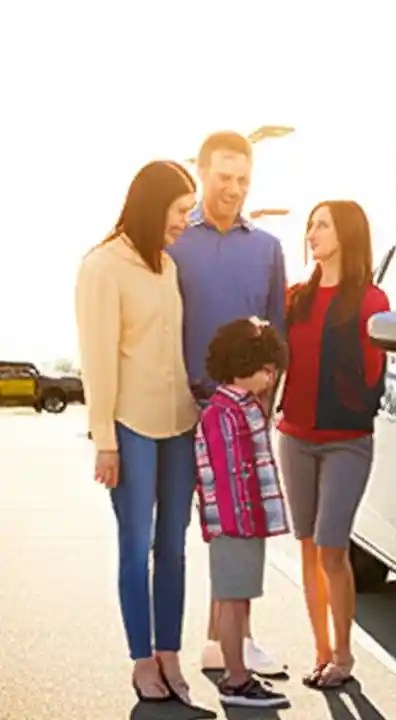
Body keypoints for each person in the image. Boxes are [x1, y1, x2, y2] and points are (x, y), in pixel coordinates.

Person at [74, 160, 200, 704]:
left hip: (178, 423)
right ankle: (141, 658)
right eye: (179, 211)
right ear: (154, 205)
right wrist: (104, 438)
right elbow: (97, 360)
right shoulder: (102, 266)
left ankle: (170, 651)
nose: (185, 222)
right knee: (136, 545)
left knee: (173, 546)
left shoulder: (166, 267)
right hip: (129, 427)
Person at [167, 130, 289, 677]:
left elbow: (277, 337)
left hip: (240, 416)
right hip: (177, 407)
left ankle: (229, 643)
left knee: (238, 531)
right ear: (200, 173)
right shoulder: (172, 243)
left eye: (243, 180)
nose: (234, 189)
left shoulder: (266, 248)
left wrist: (265, 405)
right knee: (173, 533)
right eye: (223, 178)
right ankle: (165, 648)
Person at [277, 200, 389, 689]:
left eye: (322, 224)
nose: (312, 231)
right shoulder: (294, 297)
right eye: (310, 224)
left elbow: (375, 374)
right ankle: (321, 652)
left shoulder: (370, 300)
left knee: (330, 546)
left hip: (346, 442)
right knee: (306, 546)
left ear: (346, 232)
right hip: (295, 438)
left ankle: (344, 656)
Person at [195, 317, 291, 708]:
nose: (271, 377)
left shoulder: (245, 407)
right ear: (243, 364)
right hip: (235, 525)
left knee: (241, 598)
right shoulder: (223, 414)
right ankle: (236, 679)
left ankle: (239, 673)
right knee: (233, 599)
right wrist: (243, 524)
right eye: (266, 369)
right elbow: (230, 475)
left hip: (247, 524)